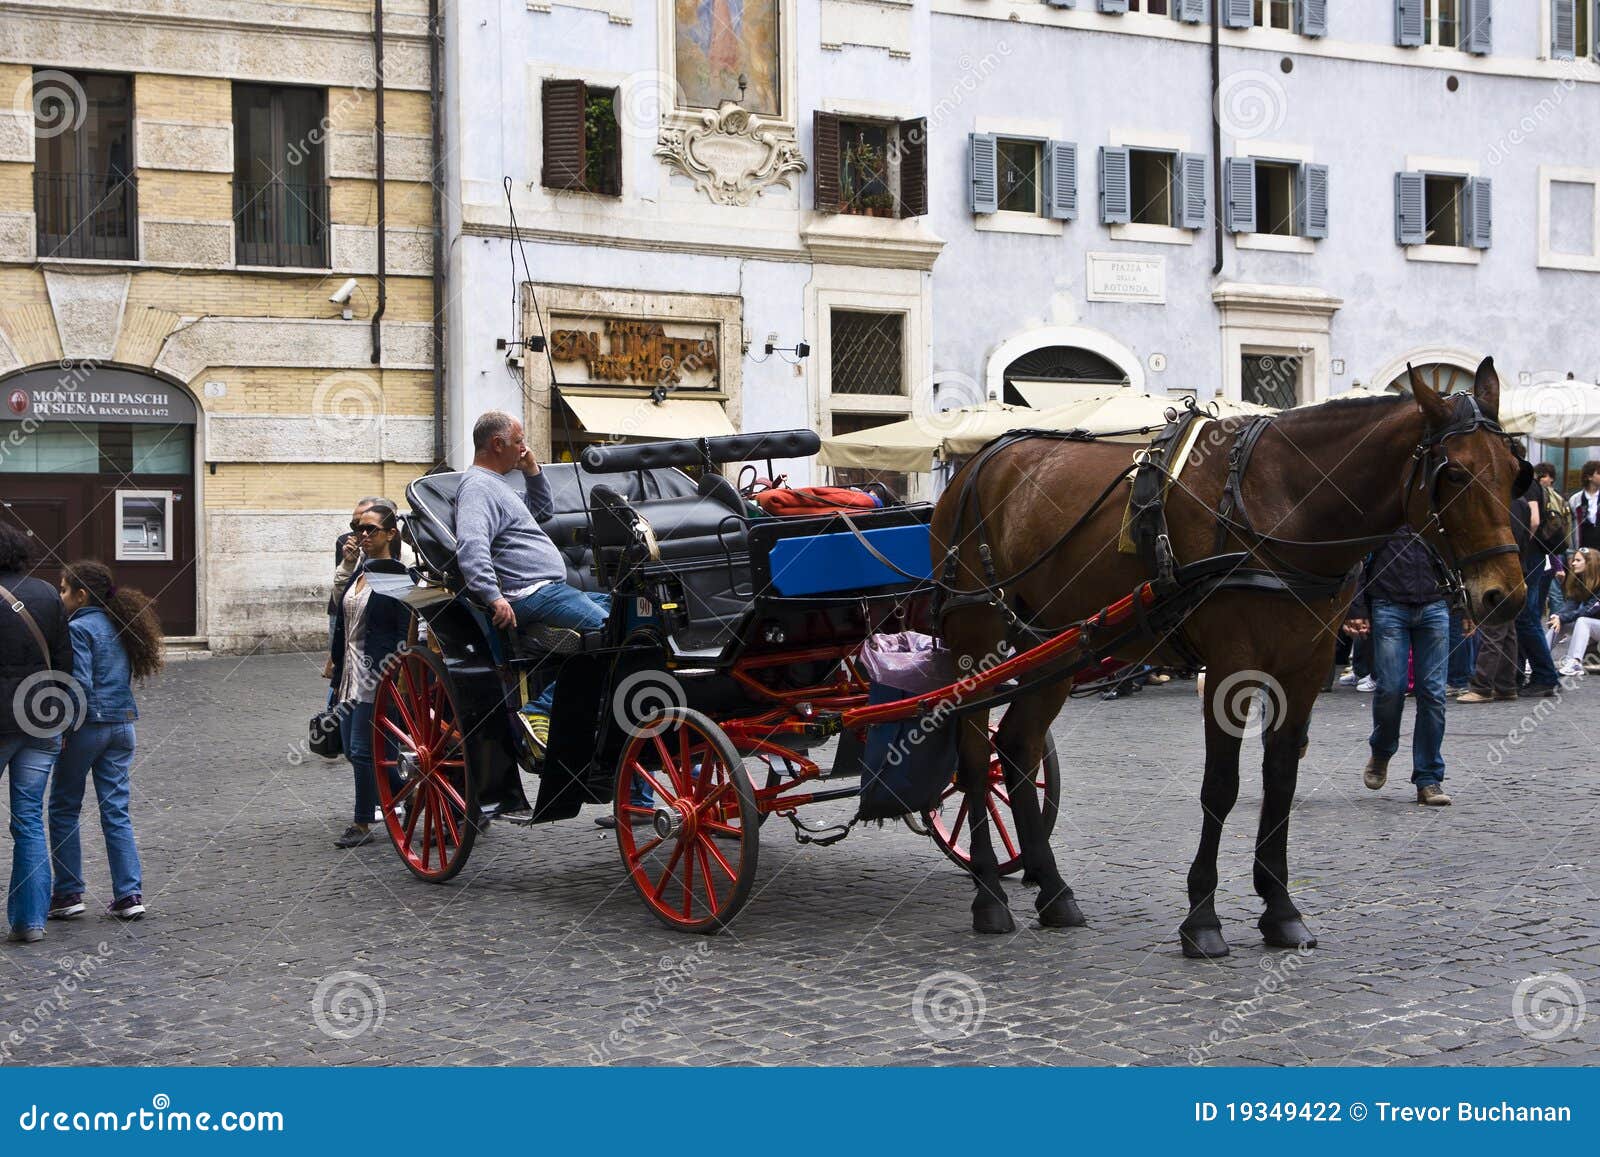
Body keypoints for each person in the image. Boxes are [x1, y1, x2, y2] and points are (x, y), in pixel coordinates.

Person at [454, 411, 610, 746]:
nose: (524, 448)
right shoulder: (478, 488)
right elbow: (471, 545)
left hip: (550, 591)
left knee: (630, 616)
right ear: (498, 444)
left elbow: (542, 512)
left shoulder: (497, 485)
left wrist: (533, 472)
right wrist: (493, 595)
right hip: (531, 595)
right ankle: (542, 709)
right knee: (616, 632)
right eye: (520, 441)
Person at [47, 561, 162, 922]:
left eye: (64, 590)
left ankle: (67, 892)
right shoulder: (120, 622)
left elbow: (79, 685)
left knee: (64, 807)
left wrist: (64, 730)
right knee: (116, 812)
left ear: (81, 596)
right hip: (122, 724)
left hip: (89, 727)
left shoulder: (78, 628)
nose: (60, 596)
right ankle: (129, 894)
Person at [0, 522, 73, 944]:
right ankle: (29, 922)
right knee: (29, 820)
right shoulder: (47, 594)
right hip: (40, 719)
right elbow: (65, 663)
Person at [1346, 528, 1453, 806]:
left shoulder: (1438, 508)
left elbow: (1458, 557)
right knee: (1391, 688)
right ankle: (1382, 750)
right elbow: (1357, 559)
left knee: (1433, 694)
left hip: (1435, 604)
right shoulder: (1386, 505)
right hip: (1388, 604)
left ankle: (1428, 778)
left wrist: (1465, 610)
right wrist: (1357, 609)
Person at [327, 502, 409, 848]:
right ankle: (411, 786)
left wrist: (394, 672)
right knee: (351, 747)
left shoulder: (395, 576)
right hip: (349, 674)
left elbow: (406, 630)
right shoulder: (360, 572)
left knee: (362, 749)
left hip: (376, 676)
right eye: (356, 527)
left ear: (390, 534)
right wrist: (333, 661)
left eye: (369, 529)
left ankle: (363, 821)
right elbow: (339, 612)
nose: (360, 534)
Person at [1460, 473, 1561, 703]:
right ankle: (1506, 684)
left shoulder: (1509, 500)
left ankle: (1483, 686)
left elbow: (1511, 538)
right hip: (1516, 567)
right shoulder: (1518, 499)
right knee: (1509, 629)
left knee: (1496, 625)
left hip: (1503, 569)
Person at [1549, 548, 1600, 677]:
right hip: (1596, 627)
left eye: (1578, 560)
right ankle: (1537, 659)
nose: (1572, 563)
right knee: (1560, 623)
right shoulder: (1581, 580)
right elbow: (1571, 604)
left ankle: (1575, 663)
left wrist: (1563, 617)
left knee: (1583, 621)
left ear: (1589, 563)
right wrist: (1558, 616)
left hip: (1593, 625)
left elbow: (1588, 610)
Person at [1569, 460, 1600, 551]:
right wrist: (1571, 553)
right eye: (1599, 473)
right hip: (1582, 549)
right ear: (1589, 477)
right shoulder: (1575, 500)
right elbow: (1570, 528)